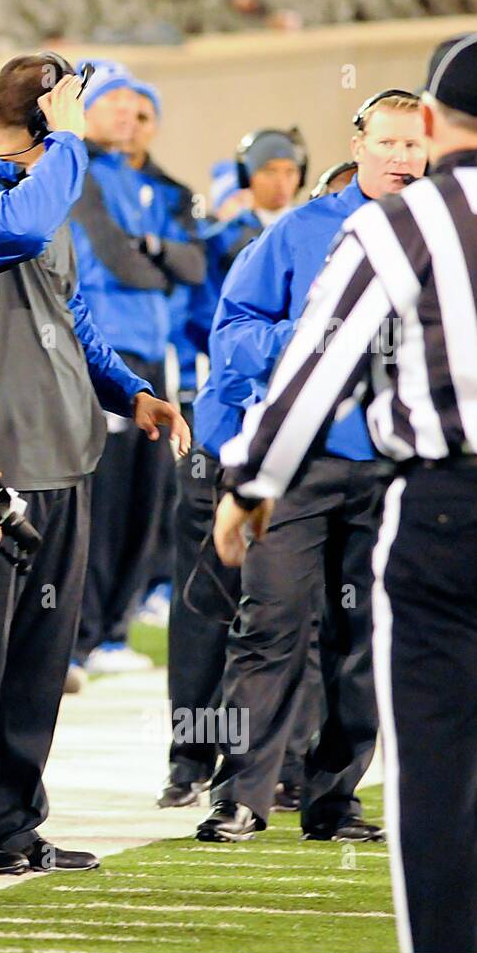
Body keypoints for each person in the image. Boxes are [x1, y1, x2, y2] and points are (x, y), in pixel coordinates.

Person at [215, 31, 477, 953]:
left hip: (447, 512)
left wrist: (252, 481)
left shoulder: (402, 223)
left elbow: (318, 364)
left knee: (438, 783)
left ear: (433, 123)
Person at [0, 53, 189, 878]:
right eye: (69, 110)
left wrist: (130, 390)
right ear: (43, 115)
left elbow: (70, 311)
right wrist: (65, 142)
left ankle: (12, 822)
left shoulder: (45, 187)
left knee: (37, 661)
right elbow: (14, 230)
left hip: (66, 459)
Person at [195, 88, 427, 844]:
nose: (400, 157)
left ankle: (333, 800)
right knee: (271, 624)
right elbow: (232, 331)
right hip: (298, 461)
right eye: (387, 143)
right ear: (358, 144)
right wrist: (313, 346)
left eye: (413, 144)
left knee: (365, 639)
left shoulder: (446, 236)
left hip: (397, 468)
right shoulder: (299, 231)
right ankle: (240, 794)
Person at [158, 130, 307, 808]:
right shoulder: (236, 238)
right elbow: (209, 320)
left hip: (299, 446)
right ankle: (191, 757)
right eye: (268, 168)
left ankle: (285, 765)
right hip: (224, 436)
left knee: (288, 613)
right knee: (205, 605)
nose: (280, 179)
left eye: (289, 168)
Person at [69, 65, 204, 677]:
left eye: (136, 103)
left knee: (145, 498)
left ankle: (113, 633)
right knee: (101, 495)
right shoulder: (79, 174)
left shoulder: (161, 186)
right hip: (103, 355)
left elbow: (196, 266)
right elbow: (119, 261)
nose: (125, 114)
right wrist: (159, 261)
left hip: (152, 356)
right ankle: (81, 632)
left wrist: (156, 257)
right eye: (112, 102)